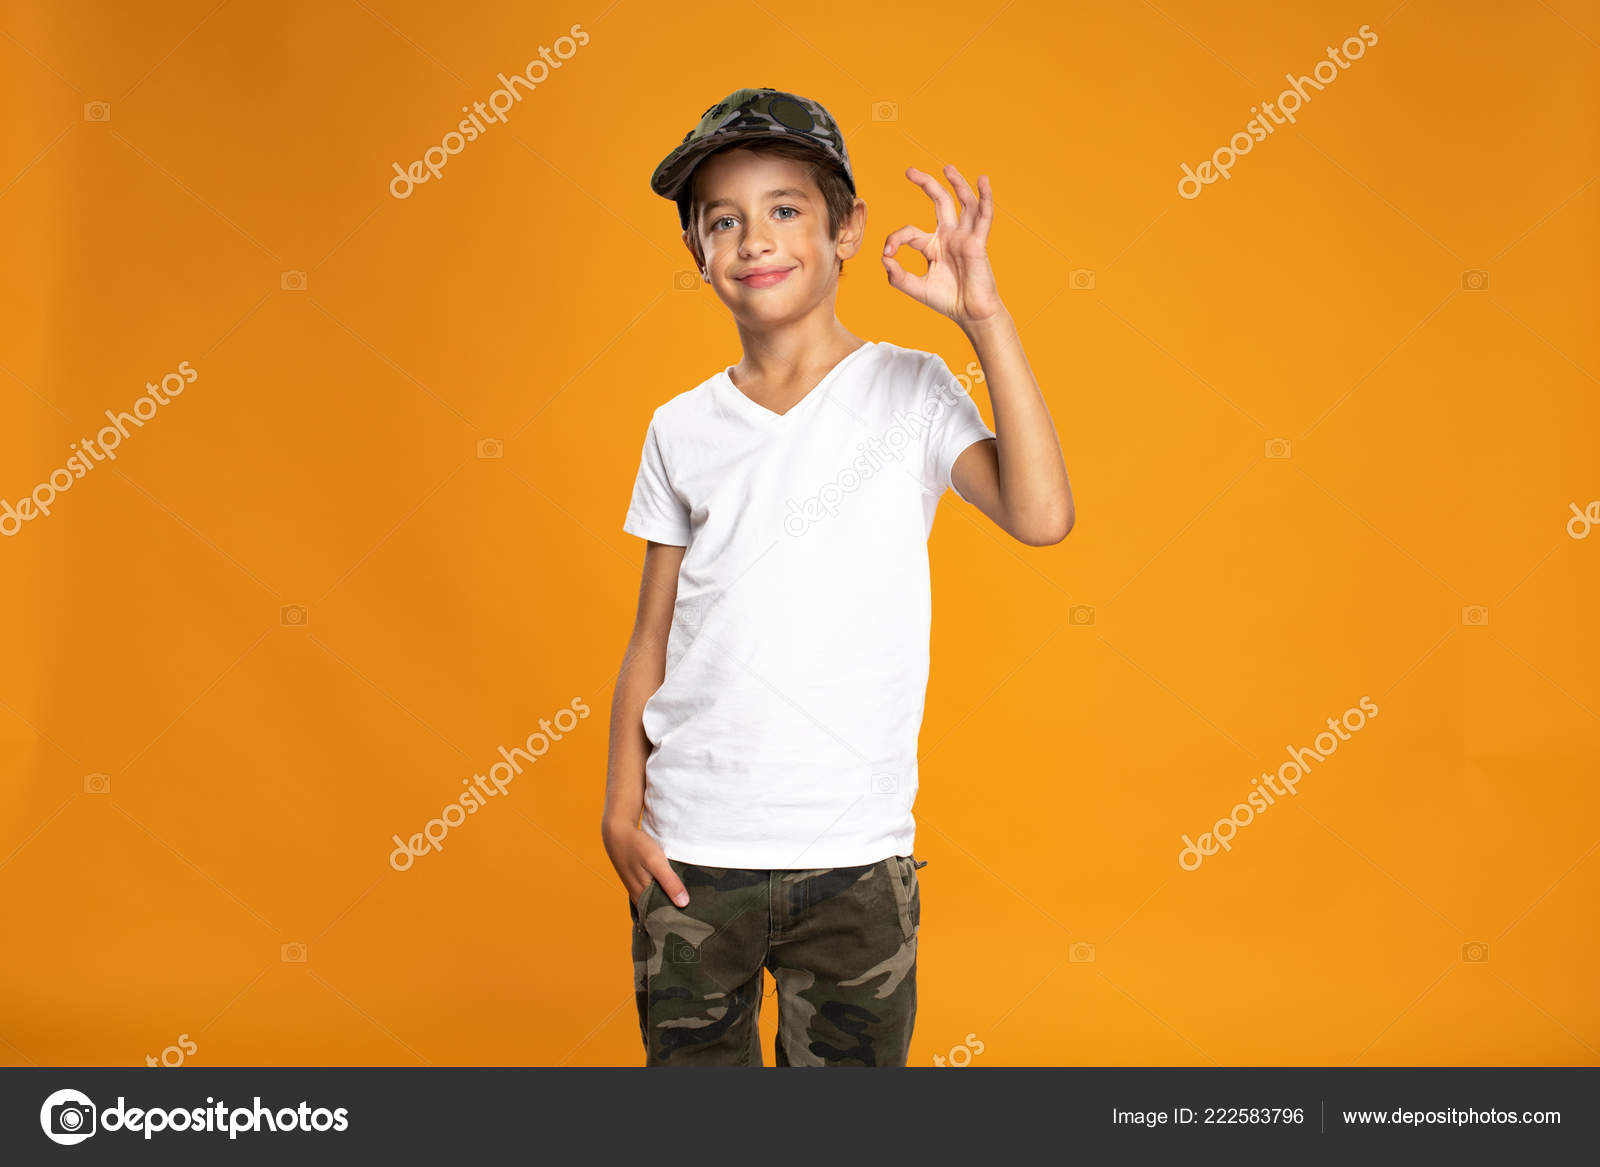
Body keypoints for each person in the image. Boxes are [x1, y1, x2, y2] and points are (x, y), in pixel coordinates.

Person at [601, 87, 1073, 1066]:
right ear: (697, 251)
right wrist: (620, 807)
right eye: (720, 220)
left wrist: (982, 316)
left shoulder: (910, 389)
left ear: (846, 228)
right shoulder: (680, 426)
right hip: (693, 852)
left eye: (784, 209)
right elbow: (652, 635)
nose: (752, 239)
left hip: (853, 861)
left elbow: (1041, 517)